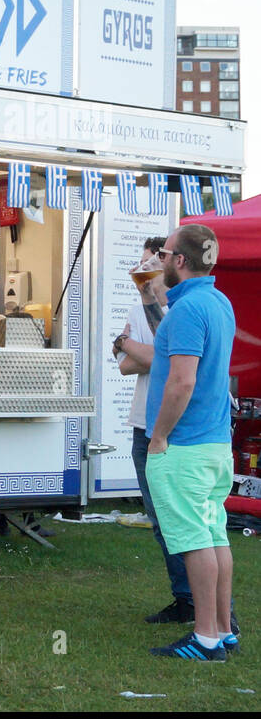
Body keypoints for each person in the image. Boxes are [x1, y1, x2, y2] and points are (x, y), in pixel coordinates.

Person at [145, 224, 240, 660]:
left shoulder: (188, 310)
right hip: (215, 443)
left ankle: (205, 637)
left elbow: (182, 382)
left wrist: (159, 436)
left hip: (185, 445)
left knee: (194, 541)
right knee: (214, 536)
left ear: (180, 261)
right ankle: (221, 629)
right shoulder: (217, 301)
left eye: (164, 255)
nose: (159, 261)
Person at [113, 236, 195, 623]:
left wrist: (127, 341)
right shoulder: (140, 306)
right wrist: (135, 350)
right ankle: (186, 599)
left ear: (170, 263)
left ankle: (200, 604)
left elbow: (153, 356)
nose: (142, 270)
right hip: (145, 424)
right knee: (160, 521)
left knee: (184, 521)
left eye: (150, 261)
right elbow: (126, 366)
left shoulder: (184, 309)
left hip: (173, 427)